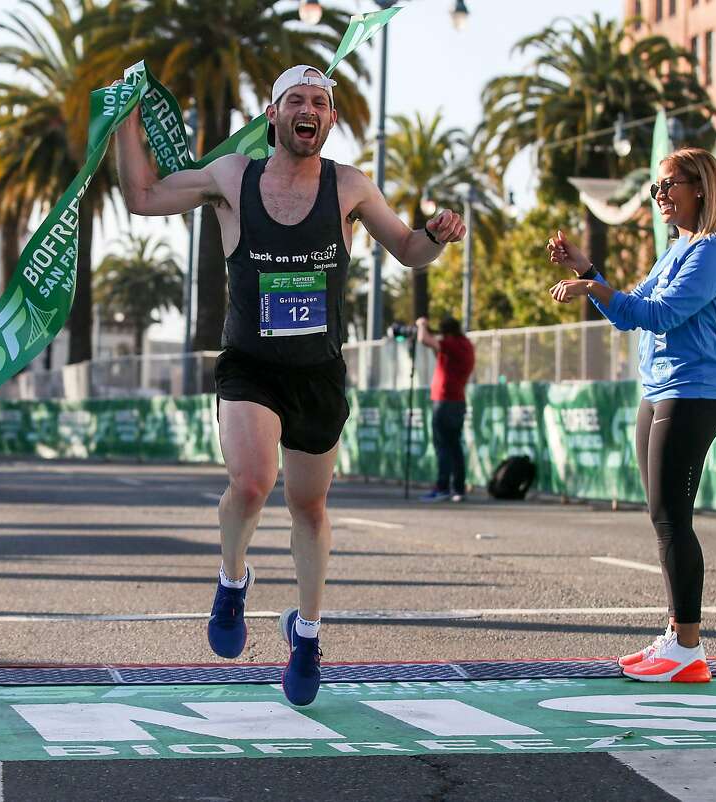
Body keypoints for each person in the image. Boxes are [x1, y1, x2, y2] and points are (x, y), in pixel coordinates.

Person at [114, 66, 464, 705]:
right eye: (296, 101)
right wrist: (125, 121)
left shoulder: (350, 187)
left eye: (321, 103)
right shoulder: (231, 177)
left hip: (318, 373)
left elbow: (409, 250)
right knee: (250, 484)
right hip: (251, 366)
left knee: (309, 508)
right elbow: (142, 196)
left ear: (330, 122)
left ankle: (307, 632)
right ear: (272, 116)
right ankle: (232, 580)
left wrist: (437, 237)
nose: (310, 110)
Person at [547, 146, 716, 683]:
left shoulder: (711, 253)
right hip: (658, 392)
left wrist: (591, 285)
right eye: (656, 187)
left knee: (675, 519)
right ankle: (677, 636)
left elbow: (662, 313)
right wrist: (587, 269)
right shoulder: (677, 250)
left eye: (669, 184)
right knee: (662, 519)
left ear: (700, 188)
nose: (660, 195)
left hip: (692, 395)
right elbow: (630, 312)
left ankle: (690, 649)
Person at [415, 316, 475, 502]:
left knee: (443, 446)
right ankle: (458, 487)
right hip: (457, 401)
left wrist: (422, 325)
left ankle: (442, 487)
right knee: (455, 446)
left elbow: (424, 340)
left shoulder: (452, 343)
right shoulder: (465, 344)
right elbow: (438, 353)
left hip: (445, 401)